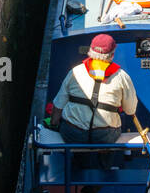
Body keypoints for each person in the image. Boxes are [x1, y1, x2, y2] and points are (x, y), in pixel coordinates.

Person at [51, 34, 138, 162]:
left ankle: (77, 166)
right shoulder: (122, 77)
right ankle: (105, 167)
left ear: (90, 51)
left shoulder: (75, 72)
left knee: (75, 137)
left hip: (73, 133)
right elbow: (130, 110)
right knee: (119, 120)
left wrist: (54, 124)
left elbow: (58, 105)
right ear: (112, 54)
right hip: (105, 135)